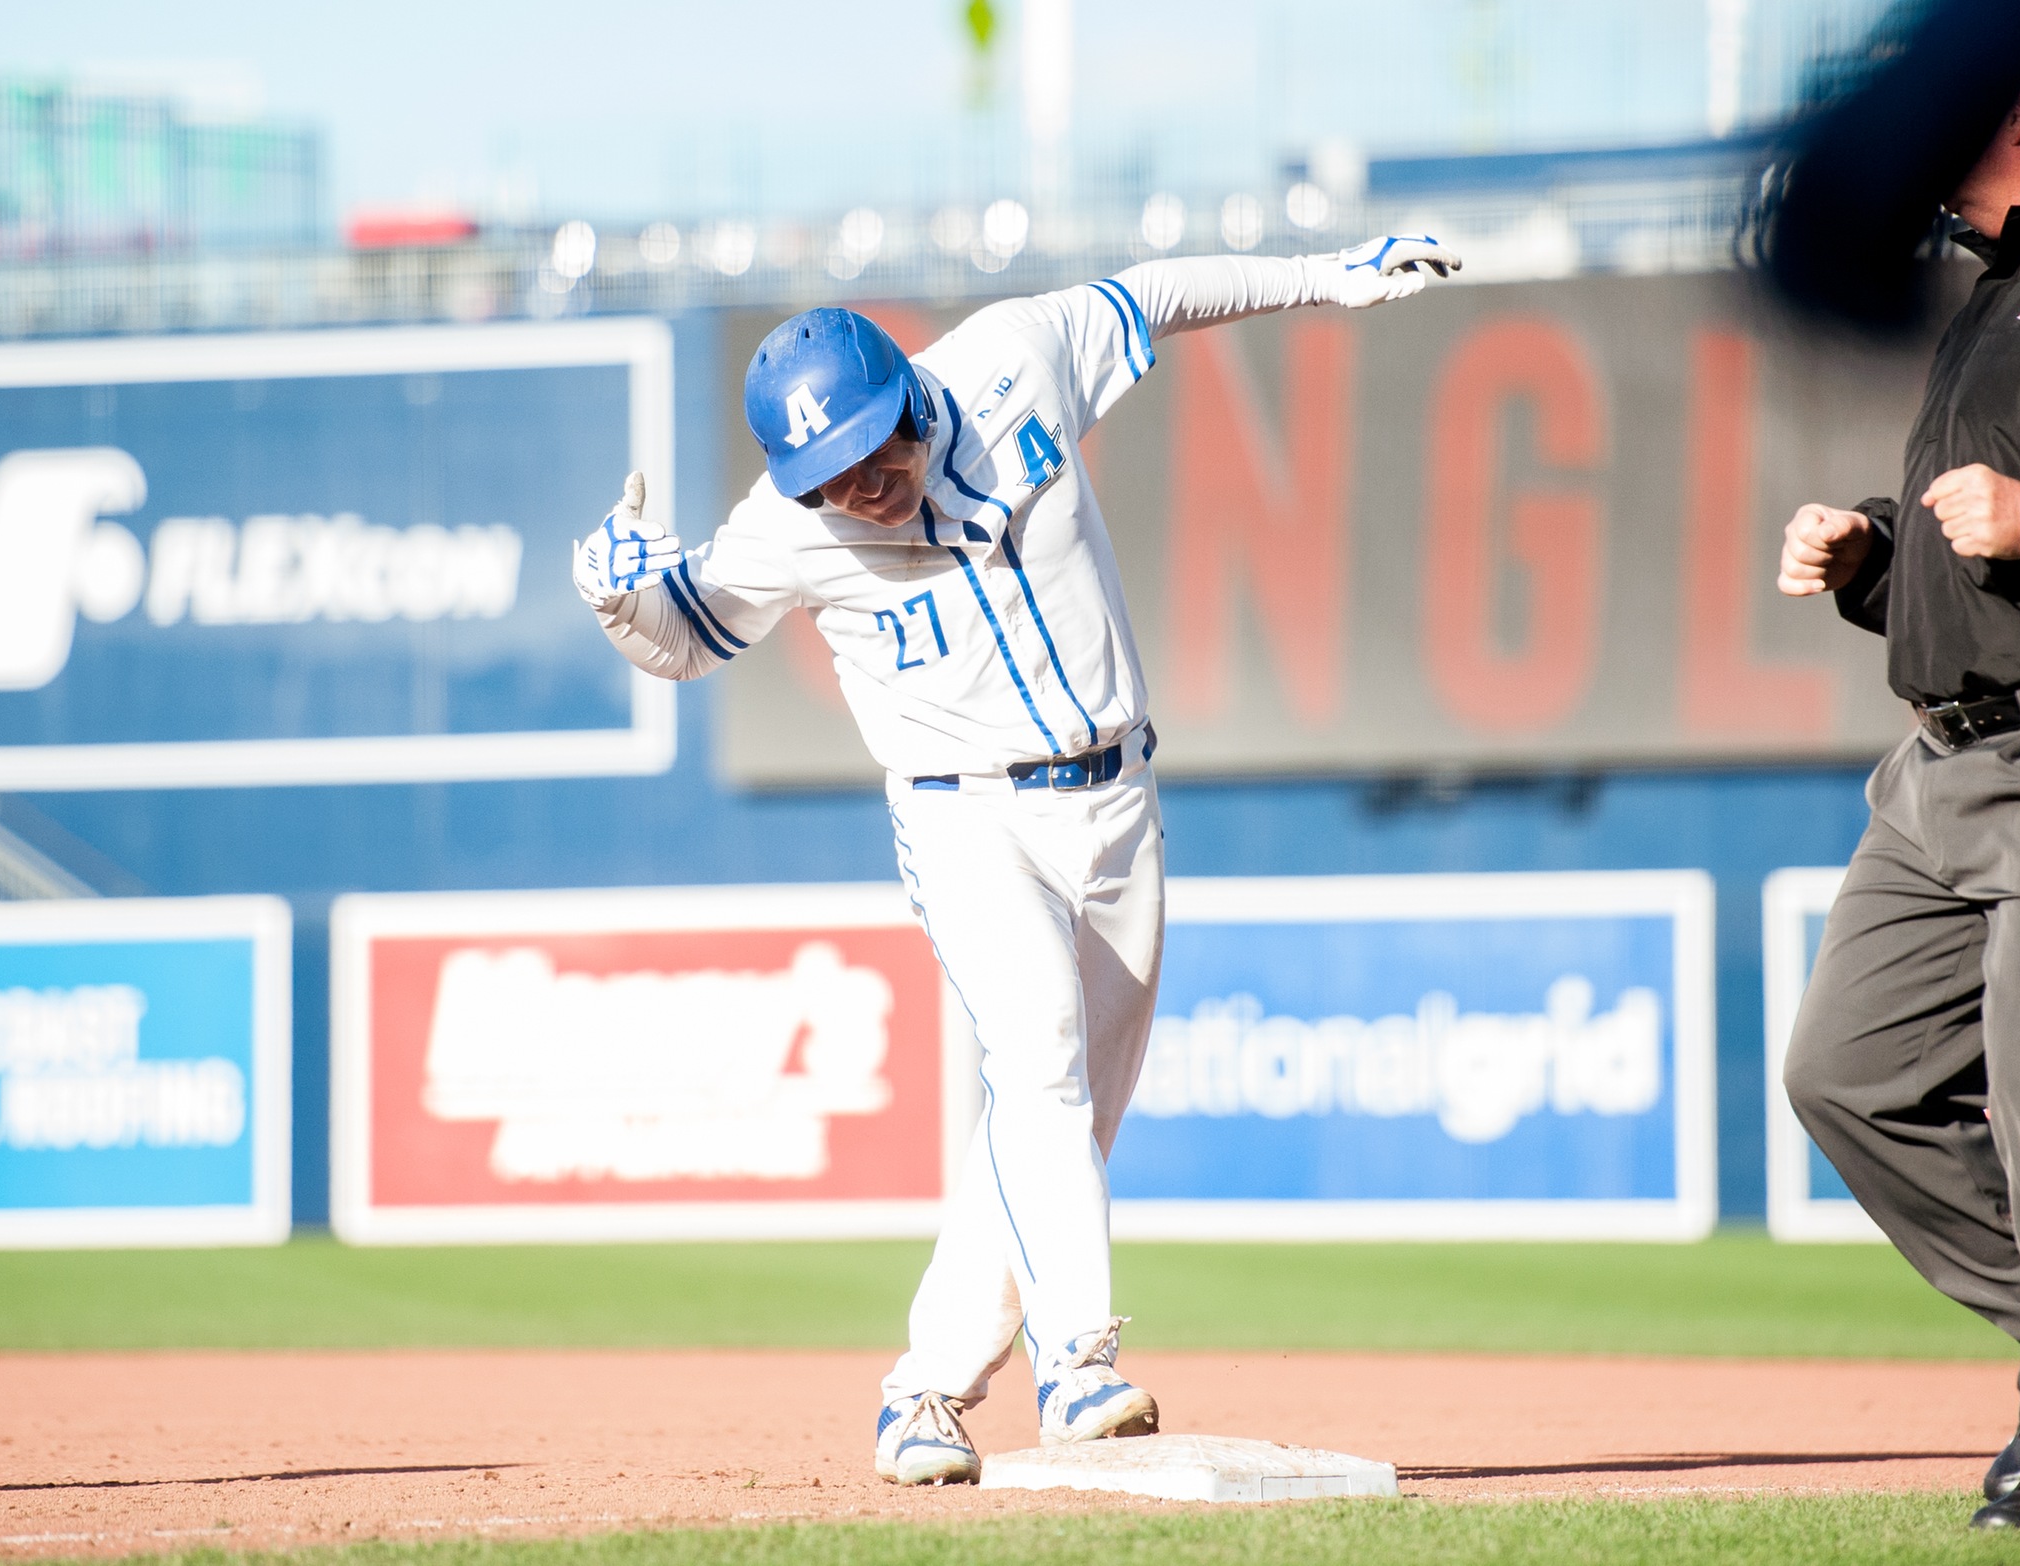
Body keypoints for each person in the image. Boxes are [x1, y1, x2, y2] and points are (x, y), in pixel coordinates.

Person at [572, 235, 1460, 1484]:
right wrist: (620, 602)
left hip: (1117, 801)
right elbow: (686, 635)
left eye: (868, 452)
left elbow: (1153, 295)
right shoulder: (785, 525)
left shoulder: (1009, 361)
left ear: (904, 399)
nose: (857, 490)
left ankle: (921, 1392)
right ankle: (1077, 1363)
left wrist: (1325, 272)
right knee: (1035, 1058)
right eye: (823, 476)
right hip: (962, 813)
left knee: (1060, 1119)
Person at [1775, 0, 2020, 1531]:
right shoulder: (1996, 287)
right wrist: (1876, 552)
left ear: (2011, 110)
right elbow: (1984, 537)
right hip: (1939, 766)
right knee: (1844, 1071)